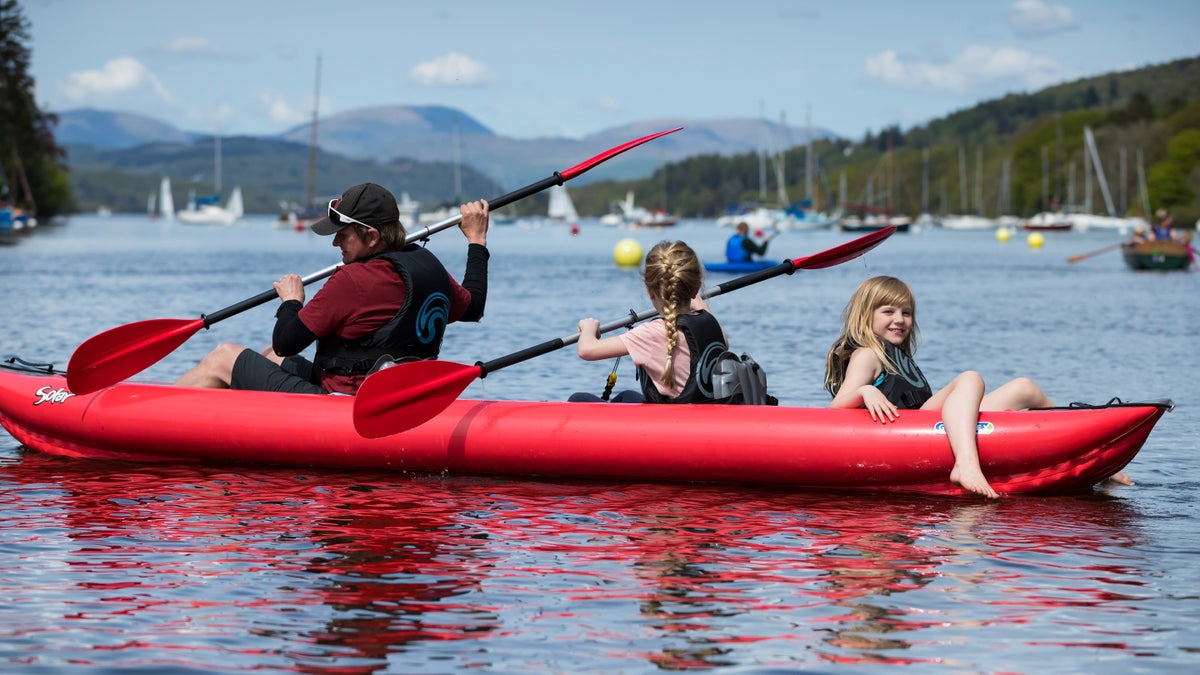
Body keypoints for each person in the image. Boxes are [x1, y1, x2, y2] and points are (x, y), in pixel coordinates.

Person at [823, 276, 1131, 498]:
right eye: (888, 312)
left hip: (922, 421)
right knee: (970, 378)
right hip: (901, 431)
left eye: (906, 312)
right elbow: (836, 407)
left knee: (1025, 388)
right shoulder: (867, 354)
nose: (900, 320)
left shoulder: (899, 355)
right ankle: (965, 466)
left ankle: (1095, 459)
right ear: (867, 315)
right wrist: (865, 391)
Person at [175, 182, 490, 394]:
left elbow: (286, 340)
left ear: (371, 237)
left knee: (224, 357)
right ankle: (222, 425)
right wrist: (476, 240)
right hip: (394, 398)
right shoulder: (427, 266)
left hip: (343, 404)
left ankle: (145, 416)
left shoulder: (352, 281)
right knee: (269, 357)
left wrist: (291, 301)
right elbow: (473, 307)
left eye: (344, 234)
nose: (335, 241)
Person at [572, 240, 728, 403]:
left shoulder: (653, 333)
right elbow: (724, 342)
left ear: (649, 290)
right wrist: (699, 303)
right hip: (699, 414)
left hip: (672, 422)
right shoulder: (709, 322)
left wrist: (588, 326)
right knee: (625, 396)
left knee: (577, 398)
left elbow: (587, 350)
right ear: (696, 289)